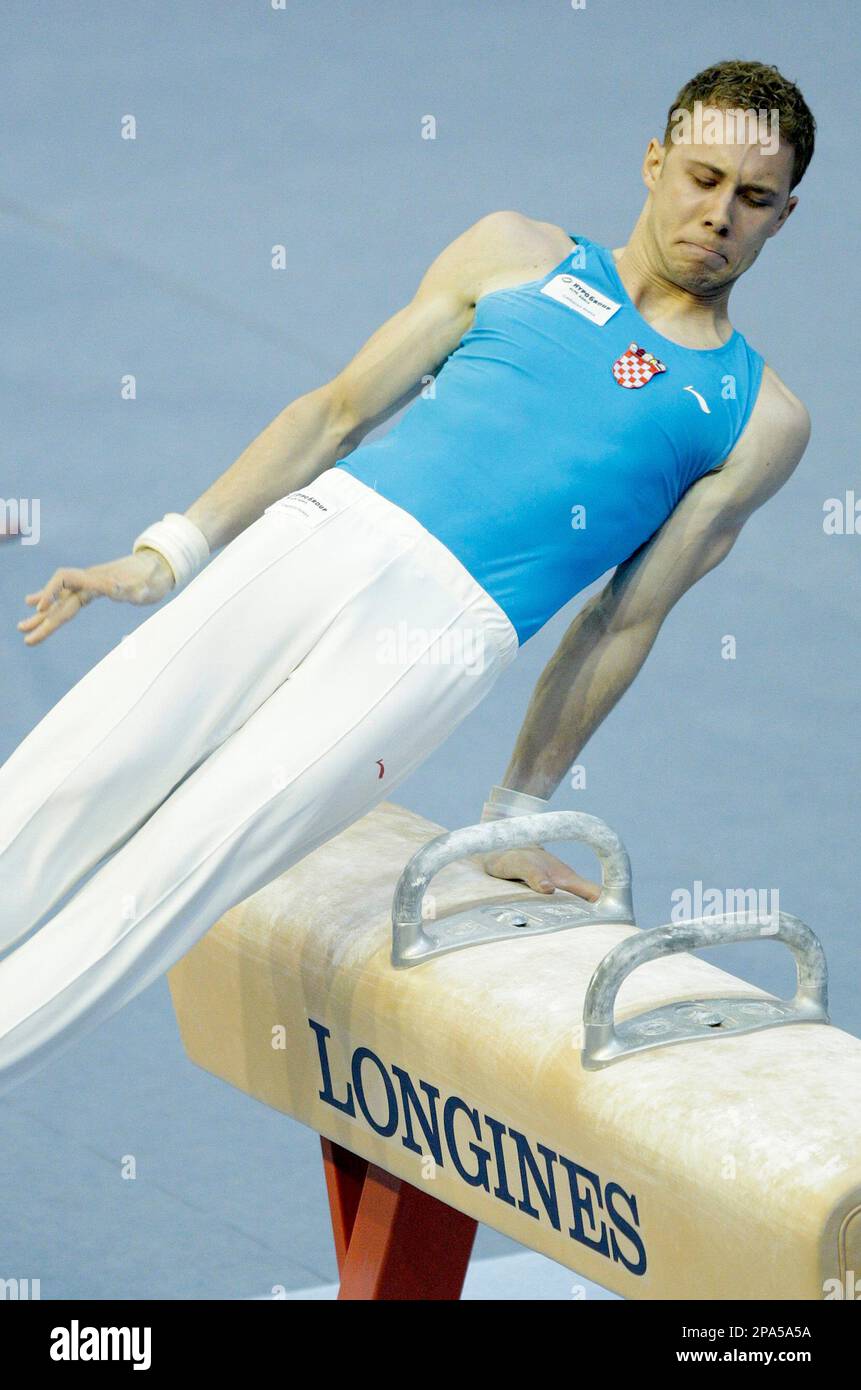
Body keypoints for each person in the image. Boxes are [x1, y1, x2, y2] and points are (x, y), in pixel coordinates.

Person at [1, 59, 814, 1094]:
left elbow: (624, 620)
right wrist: (173, 549)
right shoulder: (517, 252)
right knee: (70, 773)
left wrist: (519, 808)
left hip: (442, 635)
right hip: (317, 535)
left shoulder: (756, 415)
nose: (720, 215)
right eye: (702, 178)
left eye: (752, 198)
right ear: (654, 162)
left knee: (181, 872)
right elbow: (336, 412)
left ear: (785, 214)